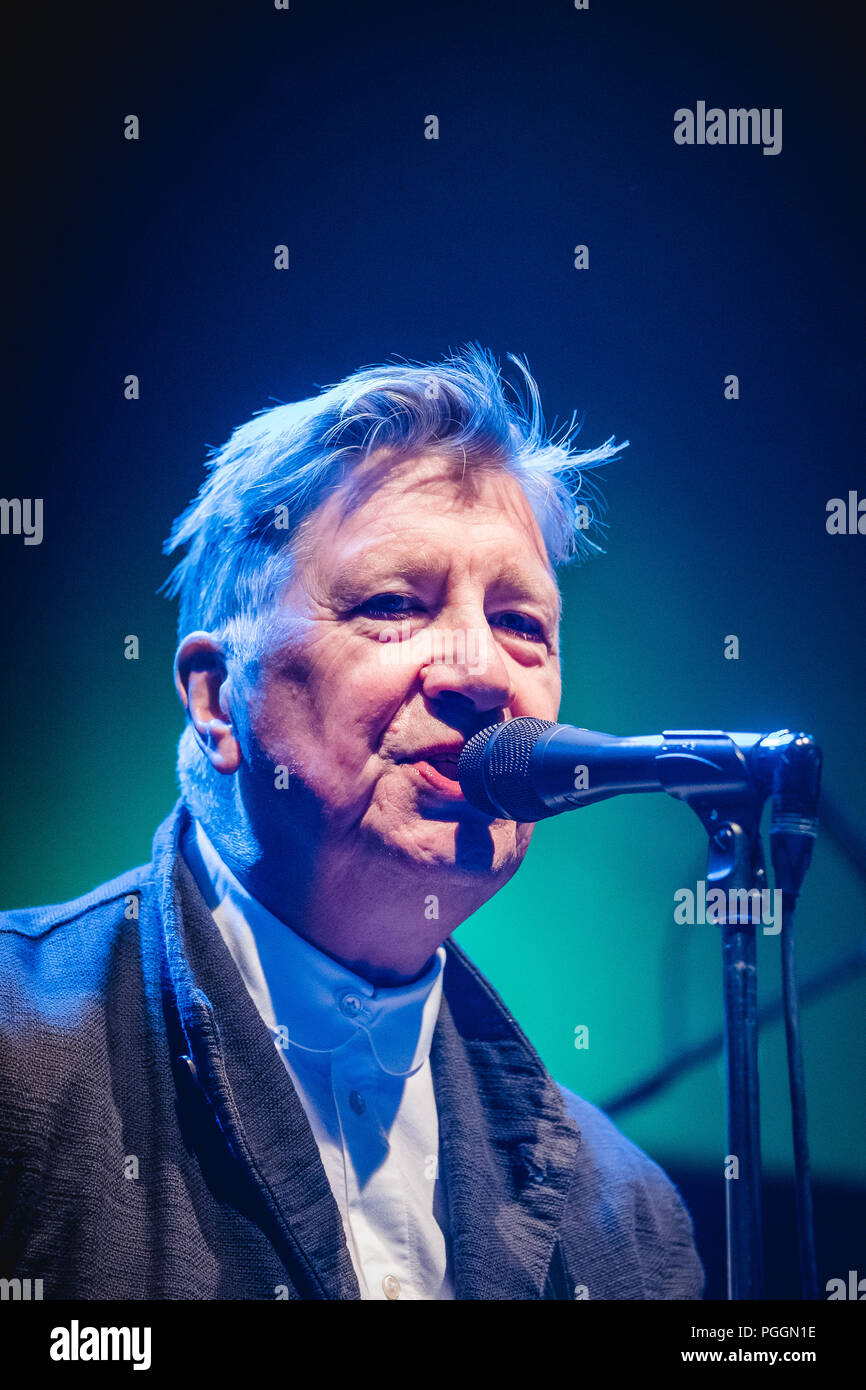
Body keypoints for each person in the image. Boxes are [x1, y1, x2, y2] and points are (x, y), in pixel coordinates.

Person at [0, 346, 704, 1300]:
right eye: (394, 606)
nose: (484, 672)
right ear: (217, 700)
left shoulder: (628, 1220)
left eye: (522, 624)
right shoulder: (20, 1053)